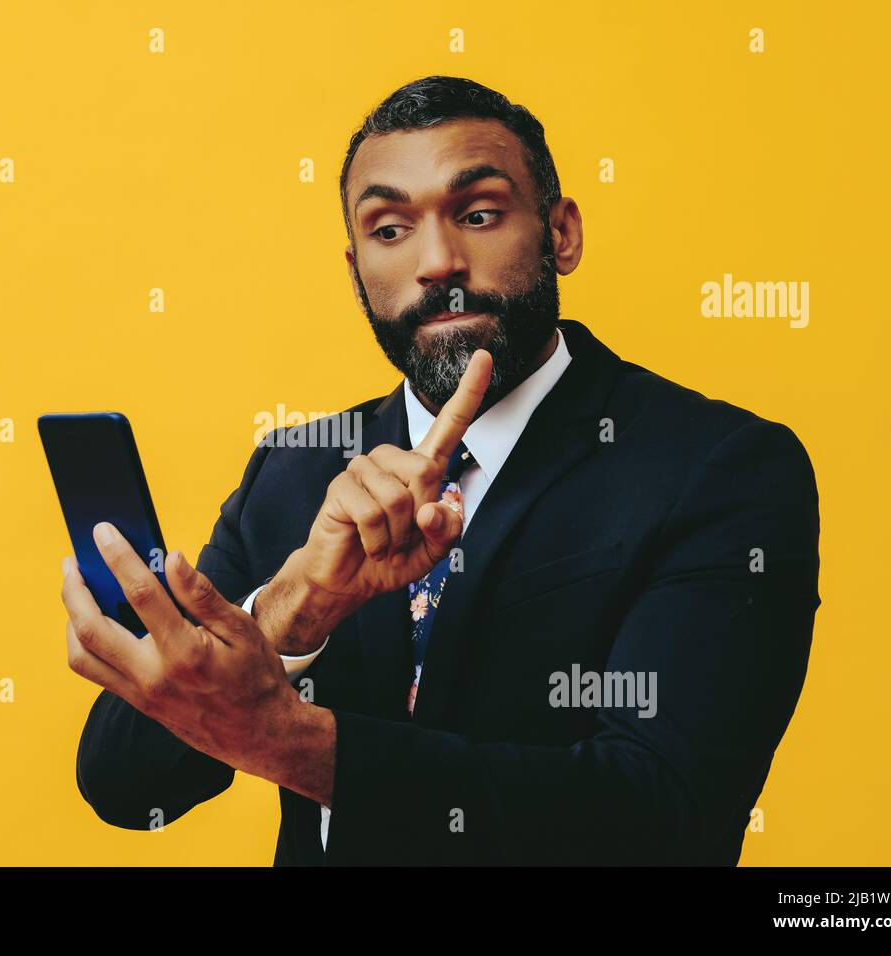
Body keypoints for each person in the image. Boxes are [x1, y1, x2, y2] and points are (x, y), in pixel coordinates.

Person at [62, 75, 821, 865]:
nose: (438, 261)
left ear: (560, 234)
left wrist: (298, 745)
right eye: (390, 229)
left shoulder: (721, 468)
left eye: (479, 214)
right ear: (356, 272)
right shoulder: (292, 473)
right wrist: (293, 610)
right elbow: (128, 788)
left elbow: (667, 813)